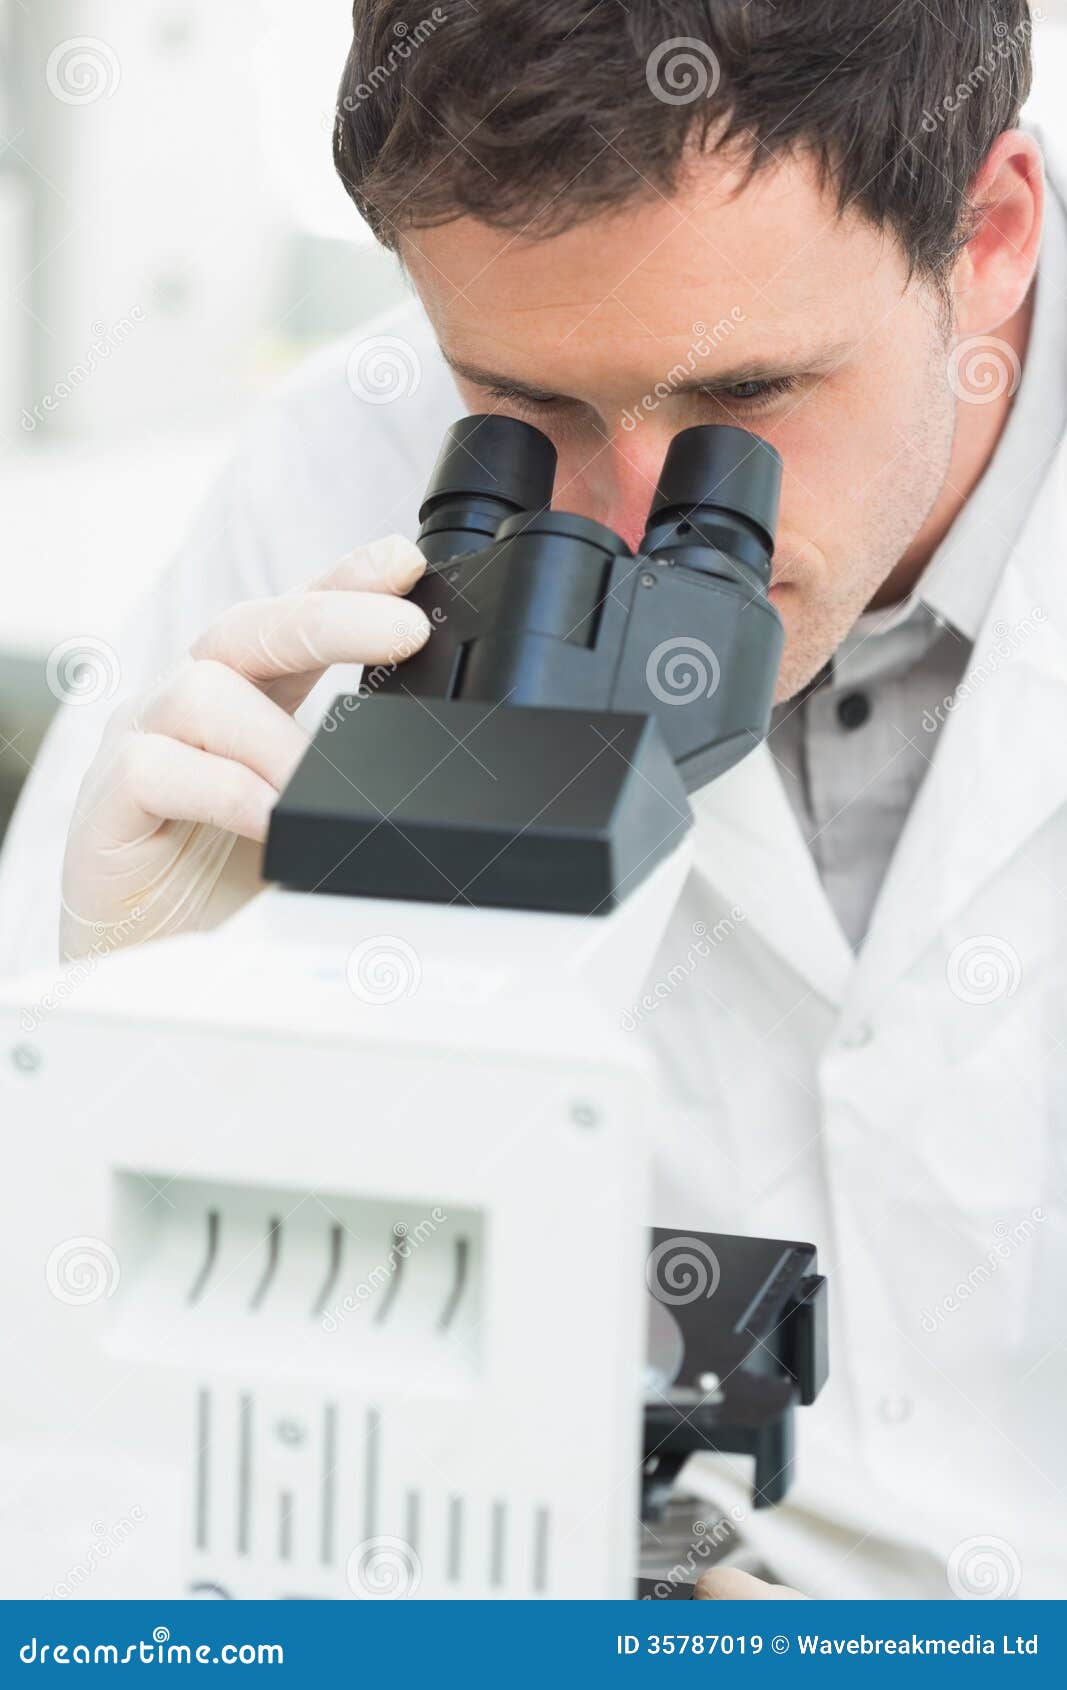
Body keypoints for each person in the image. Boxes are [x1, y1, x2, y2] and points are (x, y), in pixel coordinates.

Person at [1, 1, 1064, 1598]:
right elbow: (83, 1424)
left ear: (987, 237)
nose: (634, 523)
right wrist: (136, 1035)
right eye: (530, 406)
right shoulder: (337, 467)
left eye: (749, 400)